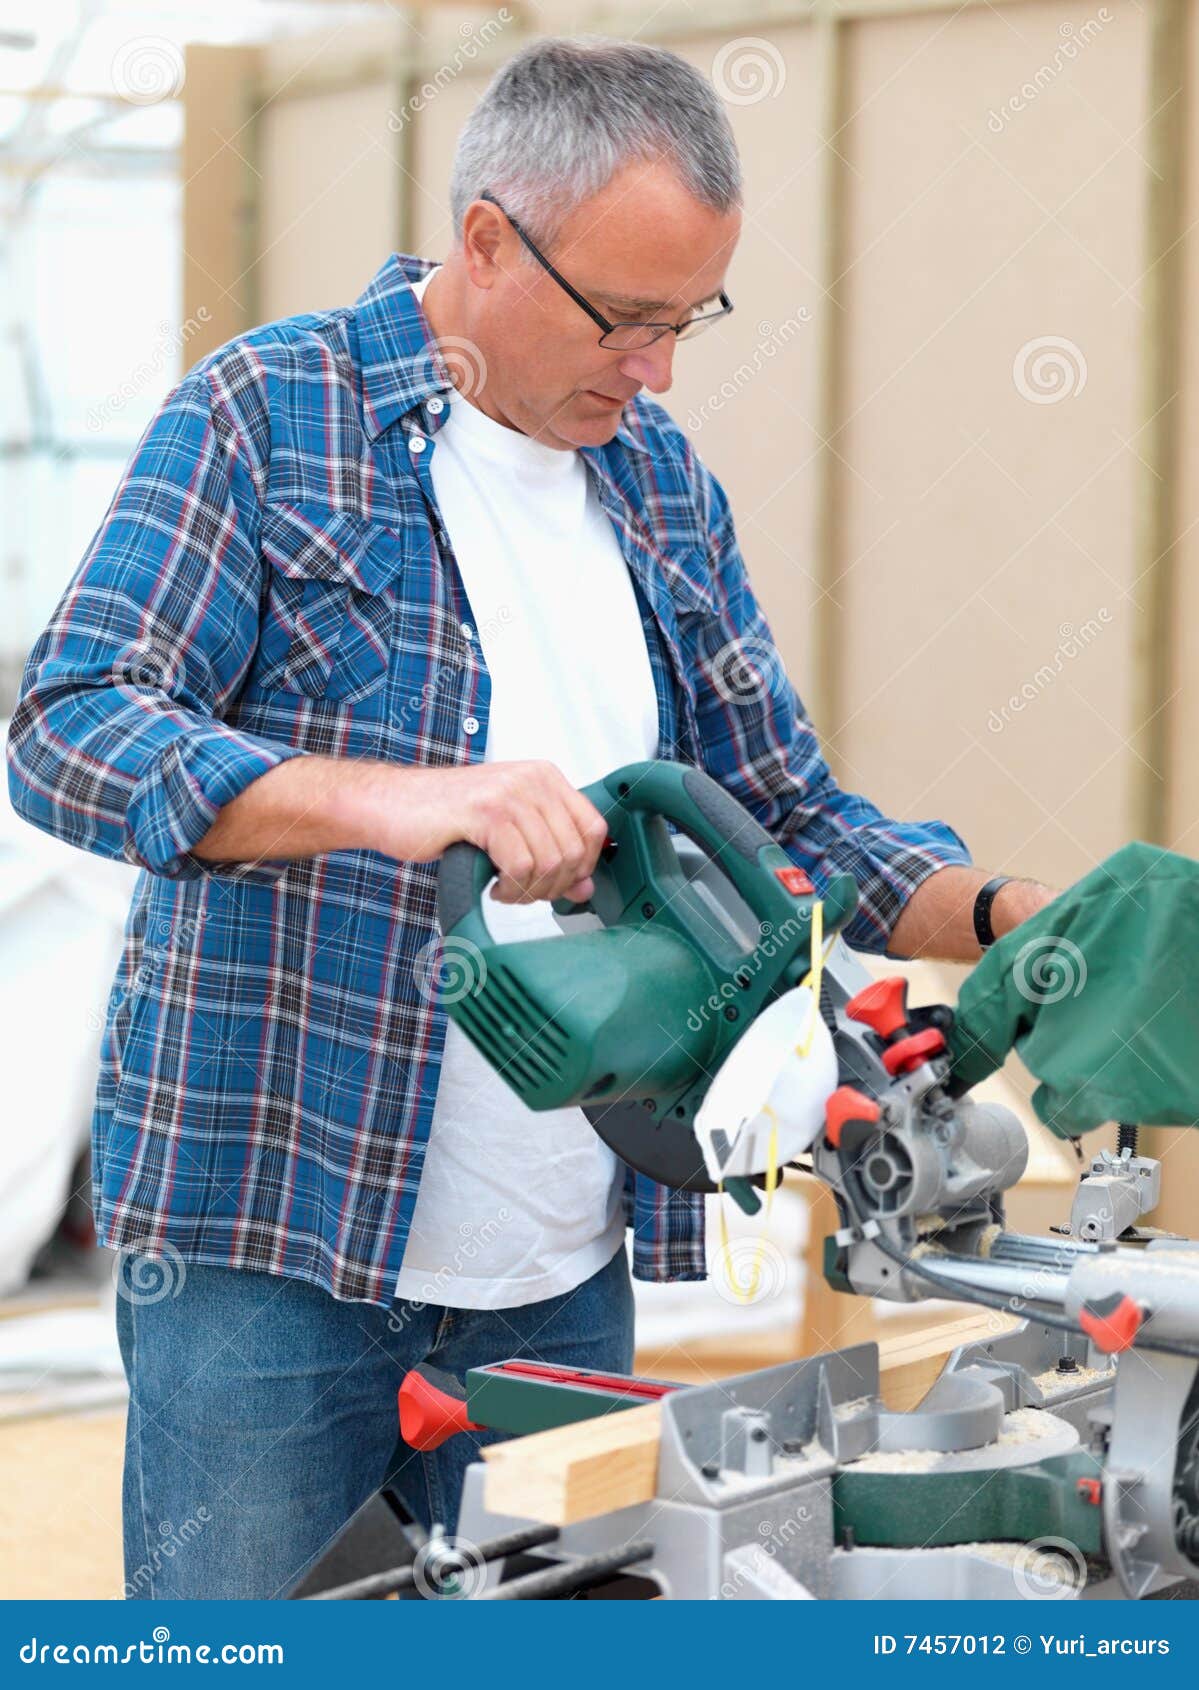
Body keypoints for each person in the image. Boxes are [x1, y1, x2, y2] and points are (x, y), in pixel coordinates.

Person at [6, 36, 1053, 1599]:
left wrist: (1013, 917)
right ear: (488, 240)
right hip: (273, 1259)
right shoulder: (265, 416)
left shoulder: (659, 486)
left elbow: (782, 814)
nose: (657, 369)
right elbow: (69, 725)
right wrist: (396, 801)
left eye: (686, 319)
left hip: (556, 1277)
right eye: (625, 317)